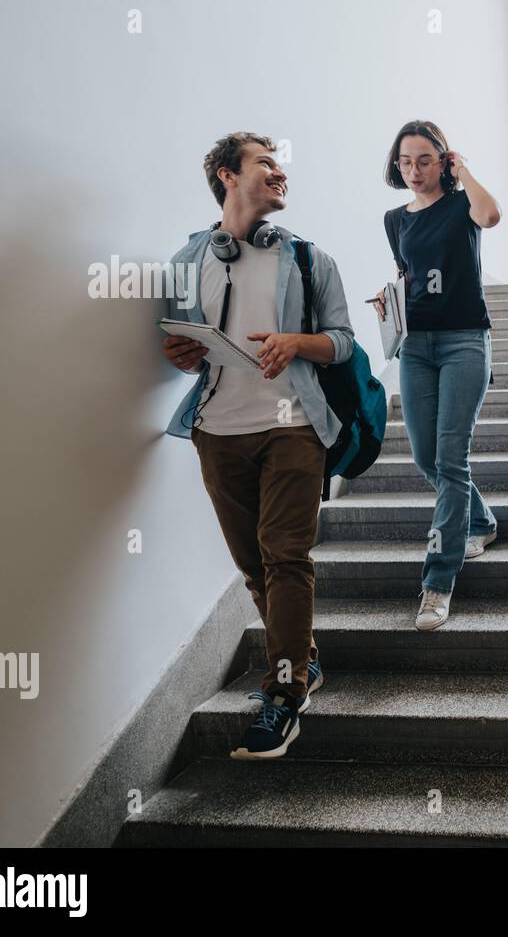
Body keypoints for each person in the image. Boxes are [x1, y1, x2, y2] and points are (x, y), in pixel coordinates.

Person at [159, 131, 356, 758]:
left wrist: (298, 343)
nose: (281, 174)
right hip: (217, 432)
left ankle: (283, 697)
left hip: (294, 425)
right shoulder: (189, 259)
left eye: (281, 165)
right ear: (226, 176)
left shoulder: (307, 259)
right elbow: (184, 348)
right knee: (253, 566)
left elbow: (345, 342)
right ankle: (305, 659)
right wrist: (182, 356)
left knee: (286, 556)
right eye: (266, 164)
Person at [372, 121, 501, 630]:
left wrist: (463, 171)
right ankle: (483, 521)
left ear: (443, 160)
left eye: (425, 159)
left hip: (465, 339)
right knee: (427, 457)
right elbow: (411, 276)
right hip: (415, 345)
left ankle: (437, 583)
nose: (414, 170)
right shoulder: (394, 219)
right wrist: (390, 299)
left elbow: (491, 215)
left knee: (450, 458)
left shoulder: (462, 204)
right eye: (405, 161)